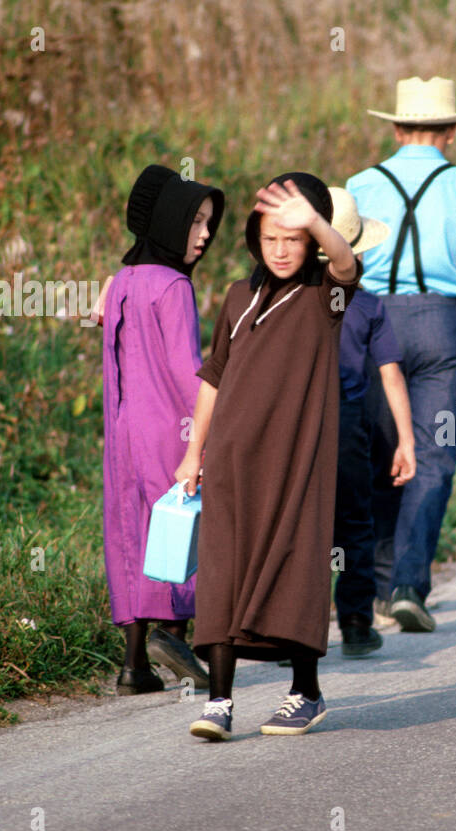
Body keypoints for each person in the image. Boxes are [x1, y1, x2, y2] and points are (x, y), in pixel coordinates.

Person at [176, 173, 358, 740]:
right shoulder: (237, 294)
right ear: (257, 238)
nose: (282, 250)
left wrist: (319, 224)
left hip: (295, 461)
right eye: (272, 238)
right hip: (231, 459)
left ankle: (305, 692)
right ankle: (219, 702)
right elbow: (214, 377)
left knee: (295, 564)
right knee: (223, 573)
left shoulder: (325, 297)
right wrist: (192, 452)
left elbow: (347, 266)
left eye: (295, 238)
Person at [346, 76, 456, 633]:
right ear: (451, 132)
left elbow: (340, 269)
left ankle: (374, 584)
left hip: (373, 322)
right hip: (444, 326)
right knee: (437, 455)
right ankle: (409, 585)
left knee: (381, 451)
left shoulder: (360, 185)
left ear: (395, 128)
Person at [101, 164, 223, 695]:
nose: (203, 236)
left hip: (123, 429)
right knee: (180, 524)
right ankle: (174, 635)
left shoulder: (122, 280)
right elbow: (184, 369)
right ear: (171, 222)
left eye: (208, 225)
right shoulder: (174, 286)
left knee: (130, 530)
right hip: (170, 425)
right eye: (195, 222)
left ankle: (133, 666)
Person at [326, 187, 416, 657]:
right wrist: (405, 440)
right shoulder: (367, 306)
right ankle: (357, 622)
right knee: (355, 522)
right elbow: (391, 375)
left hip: (293, 420)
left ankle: (287, 628)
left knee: (300, 522)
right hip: (347, 422)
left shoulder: (284, 302)